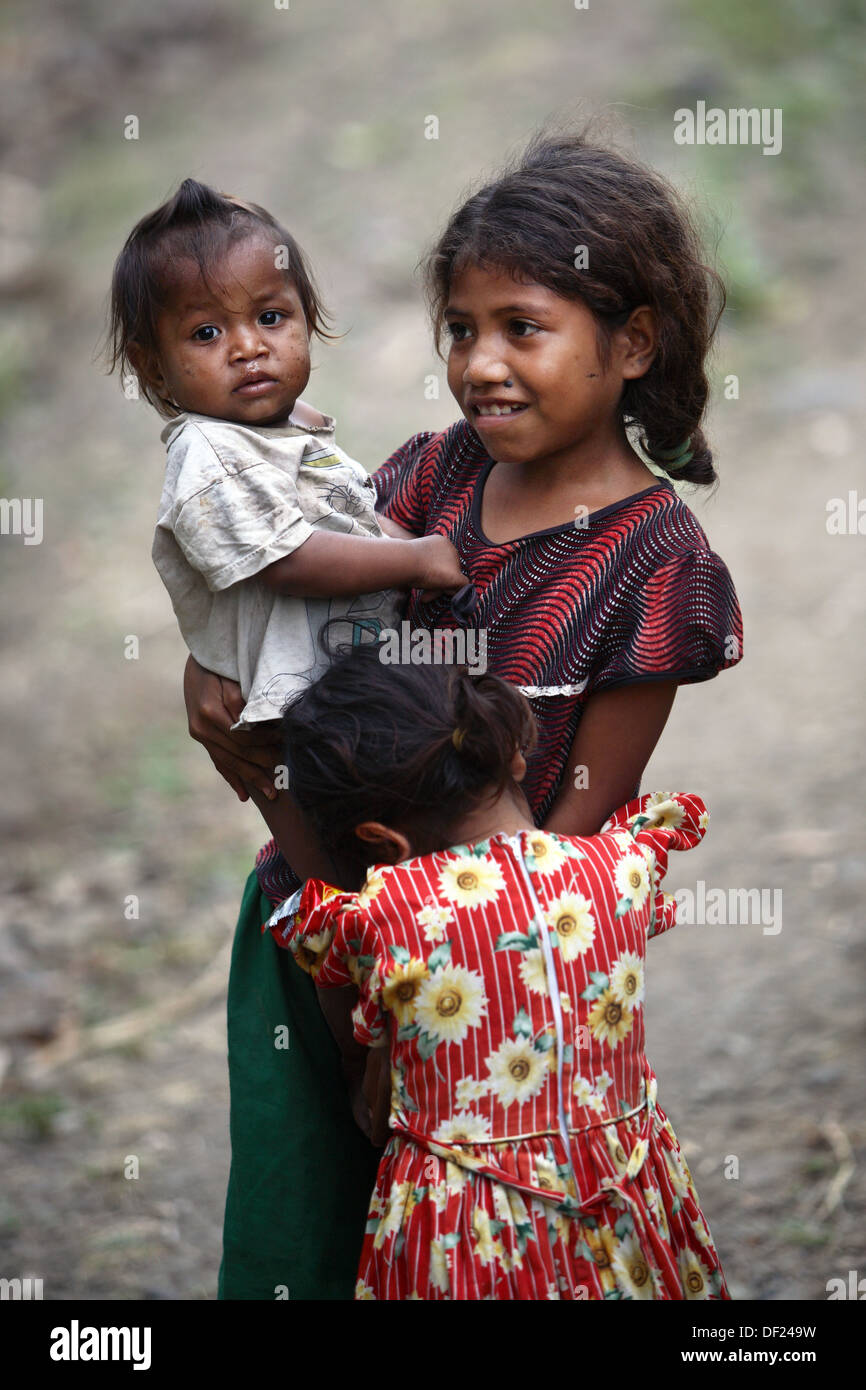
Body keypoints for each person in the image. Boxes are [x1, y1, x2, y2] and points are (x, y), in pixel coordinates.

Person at [182, 129, 744, 1299]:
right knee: (302, 1222)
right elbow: (280, 617)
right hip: (316, 907)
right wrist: (207, 675)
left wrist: (411, 1021)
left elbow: (573, 835)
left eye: (521, 329)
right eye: (460, 329)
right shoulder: (427, 480)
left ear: (632, 342)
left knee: (485, 1247)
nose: (480, 361)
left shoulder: (653, 564)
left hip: (492, 1010)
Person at [272, 645, 728, 1300]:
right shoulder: (623, 868)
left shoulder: (383, 918)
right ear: (514, 753)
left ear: (383, 843)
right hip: (624, 1208)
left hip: (461, 1242)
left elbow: (377, 1115)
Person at [107, 177, 466, 878]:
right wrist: (419, 560)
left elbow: (352, 527)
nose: (248, 347)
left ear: (309, 319)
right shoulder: (207, 453)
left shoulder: (286, 435)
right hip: (286, 711)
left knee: (381, 861)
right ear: (153, 367)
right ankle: (340, 972)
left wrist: (401, 549)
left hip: (339, 685)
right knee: (328, 880)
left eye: (271, 318)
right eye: (207, 333)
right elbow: (290, 560)